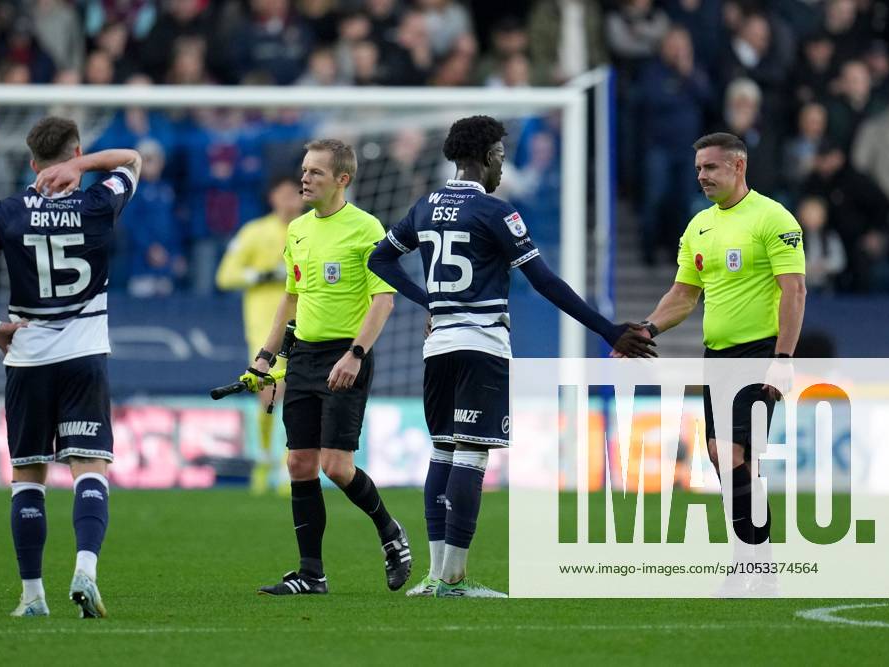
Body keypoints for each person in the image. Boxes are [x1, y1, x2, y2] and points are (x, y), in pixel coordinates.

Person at [368, 115, 656, 598]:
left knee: (442, 450)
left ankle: (436, 576)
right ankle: (453, 580)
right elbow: (544, 281)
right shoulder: (497, 213)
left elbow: (379, 258)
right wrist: (609, 330)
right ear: (483, 157)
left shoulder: (424, 206)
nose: (503, 164)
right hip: (482, 344)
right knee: (471, 455)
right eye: (500, 155)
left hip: (437, 349)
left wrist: (429, 302)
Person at [0, 117, 140, 617]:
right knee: (89, 469)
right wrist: (83, 165)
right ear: (74, 152)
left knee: (28, 477)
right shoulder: (99, 202)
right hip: (84, 354)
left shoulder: (6, 212)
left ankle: (32, 596)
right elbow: (131, 159)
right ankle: (86, 570)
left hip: (28, 356)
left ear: (32, 162)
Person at [629, 132, 805, 596]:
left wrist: (783, 359)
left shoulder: (773, 218)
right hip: (718, 358)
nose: (702, 176)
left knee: (733, 455)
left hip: (761, 352)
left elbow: (795, 290)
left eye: (711, 167)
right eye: (699, 169)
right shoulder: (699, 226)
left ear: (738, 166)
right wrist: (648, 329)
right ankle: (754, 562)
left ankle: (752, 566)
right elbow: (684, 296)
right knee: (722, 456)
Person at [248, 139, 412, 595]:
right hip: (303, 356)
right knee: (300, 463)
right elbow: (291, 296)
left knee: (337, 467)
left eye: (316, 172)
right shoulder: (298, 230)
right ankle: (311, 574)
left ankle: (390, 531)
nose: (305, 178)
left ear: (342, 179)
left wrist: (356, 354)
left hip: (347, 354)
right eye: (304, 170)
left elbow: (384, 299)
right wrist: (266, 354)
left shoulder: (367, 229)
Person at [216, 174, 305, 494]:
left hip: (307, 322)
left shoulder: (309, 230)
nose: (288, 200)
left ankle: (287, 465)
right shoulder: (255, 232)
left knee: (297, 396)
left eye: (293, 193)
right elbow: (225, 276)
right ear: (272, 197)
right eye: (282, 193)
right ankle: (267, 462)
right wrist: (262, 274)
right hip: (264, 327)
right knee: (270, 390)